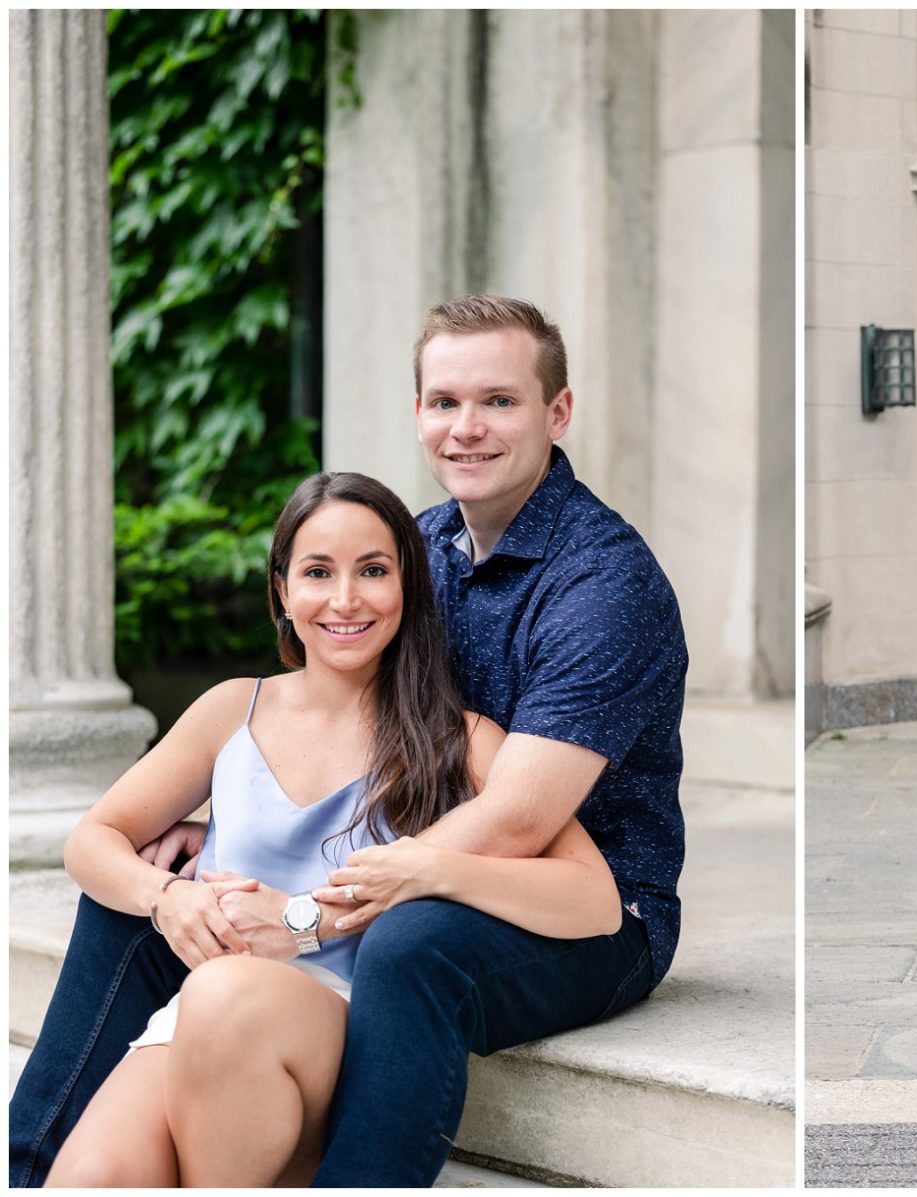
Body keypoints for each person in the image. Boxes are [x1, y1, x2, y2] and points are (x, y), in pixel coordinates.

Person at [10, 296, 689, 1187]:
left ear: (556, 413)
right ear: (417, 414)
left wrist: (307, 912)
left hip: (586, 915)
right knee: (143, 895)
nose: (467, 427)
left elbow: (519, 818)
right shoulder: (425, 542)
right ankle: (27, 1165)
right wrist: (217, 808)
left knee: (410, 939)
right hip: (397, 869)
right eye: (444, 402)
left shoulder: (603, 584)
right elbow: (331, 697)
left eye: (500, 400)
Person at [41, 471, 622, 1186]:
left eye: (373, 570)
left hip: (338, 1025)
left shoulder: (459, 737)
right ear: (282, 589)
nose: (345, 599)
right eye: (318, 572)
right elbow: (92, 837)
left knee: (228, 995)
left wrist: (429, 869)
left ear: (407, 586)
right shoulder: (233, 710)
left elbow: (594, 899)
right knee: (83, 1180)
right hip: (194, 1021)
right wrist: (166, 895)